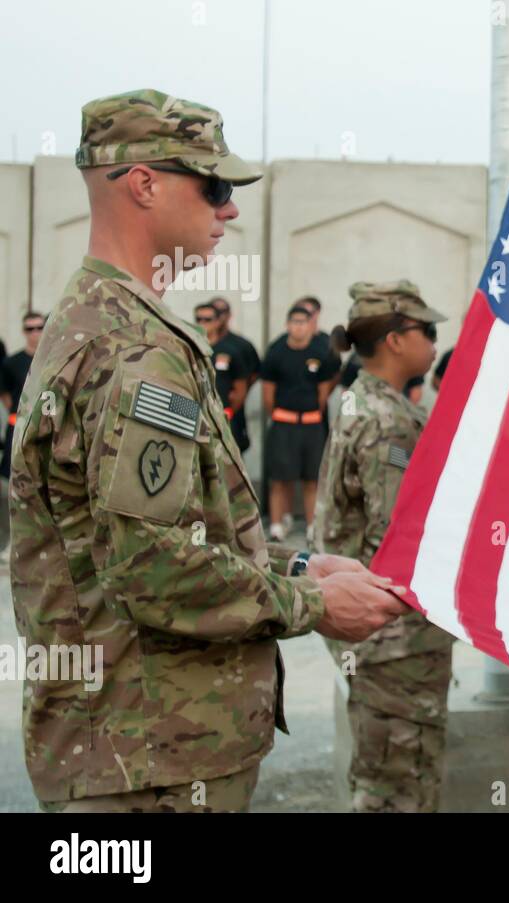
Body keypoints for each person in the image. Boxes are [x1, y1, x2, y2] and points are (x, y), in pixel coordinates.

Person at [9, 89, 406, 813]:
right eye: (214, 184)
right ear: (145, 184)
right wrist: (312, 601)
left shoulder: (109, 321)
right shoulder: (131, 347)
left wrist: (291, 563)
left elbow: (141, 537)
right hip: (145, 764)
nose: (228, 209)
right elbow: (152, 567)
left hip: (140, 752)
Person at [315, 280, 455, 812]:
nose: (435, 343)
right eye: (428, 330)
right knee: (399, 786)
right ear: (396, 339)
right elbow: (398, 532)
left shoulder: (366, 401)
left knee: (389, 774)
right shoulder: (389, 421)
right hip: (396, 638)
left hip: (385, 636)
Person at [262, 303, 340, 541]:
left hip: (312, 424)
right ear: (287, 325)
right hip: (283, 423)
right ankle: (277, 525)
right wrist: (279, 414)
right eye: (294, 322)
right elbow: (268, 393)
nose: (298, 327)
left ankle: (311, 526)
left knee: (312, 479)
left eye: (303, 322)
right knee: (280, 478)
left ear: (311, 325)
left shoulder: (321, 351)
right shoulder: (276, 351)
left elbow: (324, 391)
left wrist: (312, 412)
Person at [195, 301, 251, 450]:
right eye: (199, 319)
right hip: (199, 417)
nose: (203, 323)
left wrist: (228, 410)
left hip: (224, 417)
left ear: (218, 322)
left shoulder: (231, 350)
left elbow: (241, 387)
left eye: (208, 319)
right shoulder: (192, 348)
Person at [207, 295, 260, 451]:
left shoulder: (240, 345)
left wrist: (238, 394)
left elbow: (254, 373)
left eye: (222, 312)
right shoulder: (197, 342)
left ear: (229, 315)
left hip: (231, 411)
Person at [1, 311, 45, 480]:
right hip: (19, 426)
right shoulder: (11, 363)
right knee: (17, 475)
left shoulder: (54, 360)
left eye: (39, 327)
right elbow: (5, 395)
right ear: (24, 331)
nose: (35, 332)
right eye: (30, 328)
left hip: (48, 425)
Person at [341, 351, 423, 404]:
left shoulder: (407, 358)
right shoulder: (356, 359)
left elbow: (415, 393)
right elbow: (347, 392)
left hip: (398, 418)